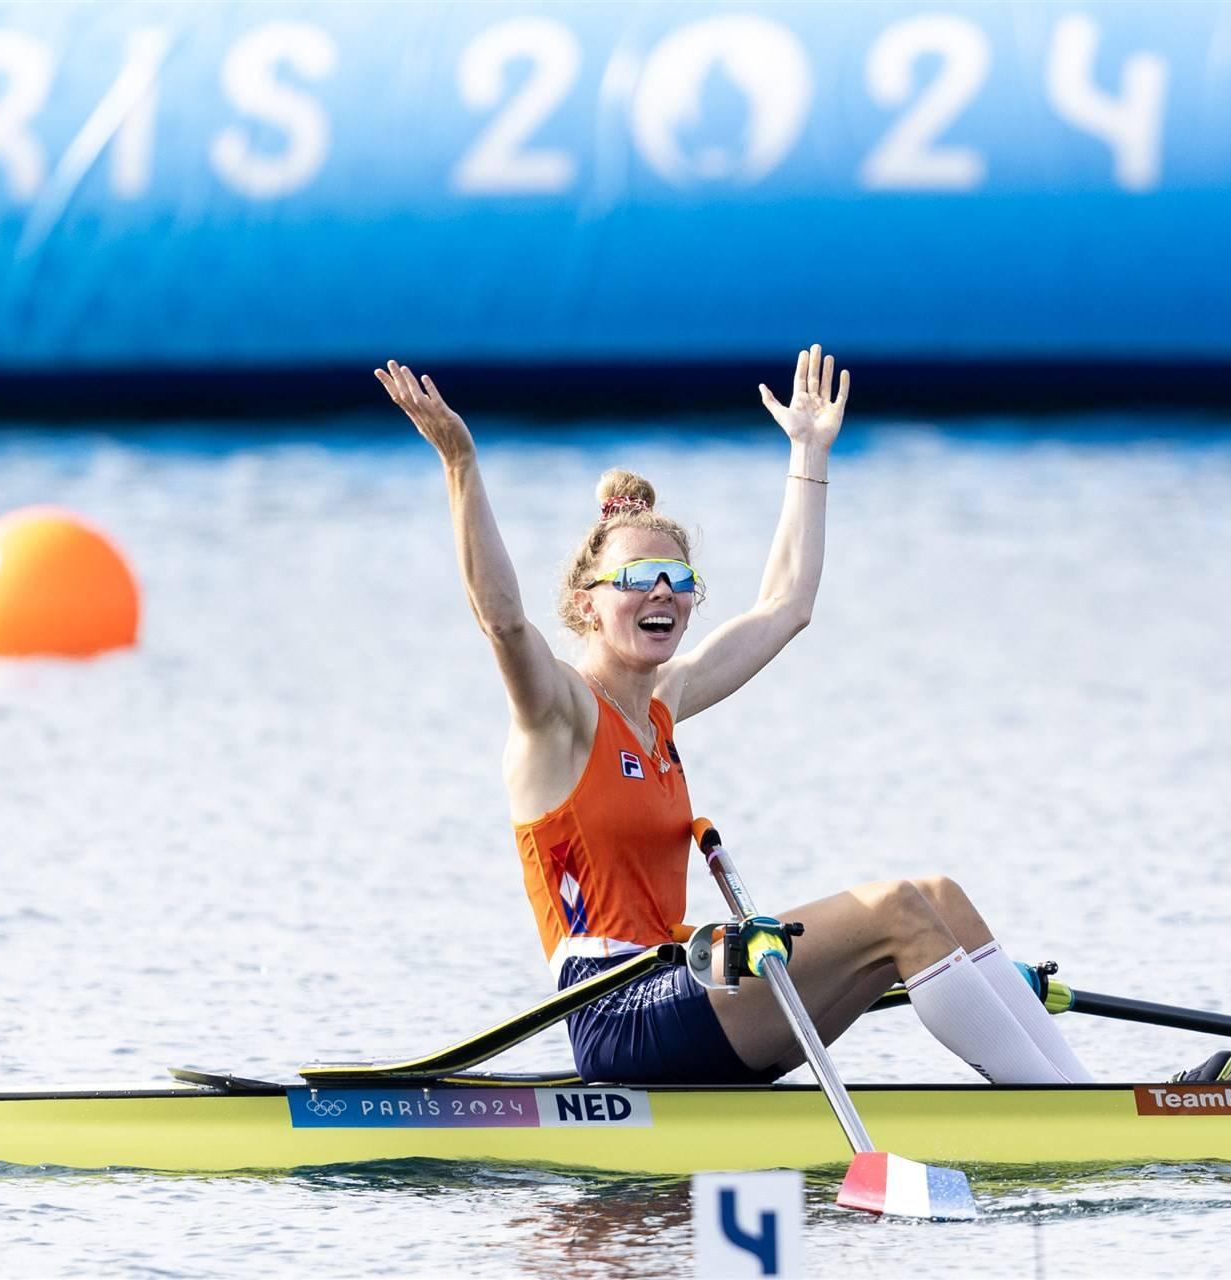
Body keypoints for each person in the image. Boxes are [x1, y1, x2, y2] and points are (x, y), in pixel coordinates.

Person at [375, 350, 1092, 1087]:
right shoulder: (556, 713)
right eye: (636, 580)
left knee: (940, 896)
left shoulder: (663, 704)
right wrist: (460, 463)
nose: (662, 592)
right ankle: (1064, 1114)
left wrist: (808, 455)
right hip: (617, 1016)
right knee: (899, 909)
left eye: (678, 579)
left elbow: (788, 607)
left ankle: (1085, 1100)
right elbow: (500, 621)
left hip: (690, 987)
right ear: (588, 601)